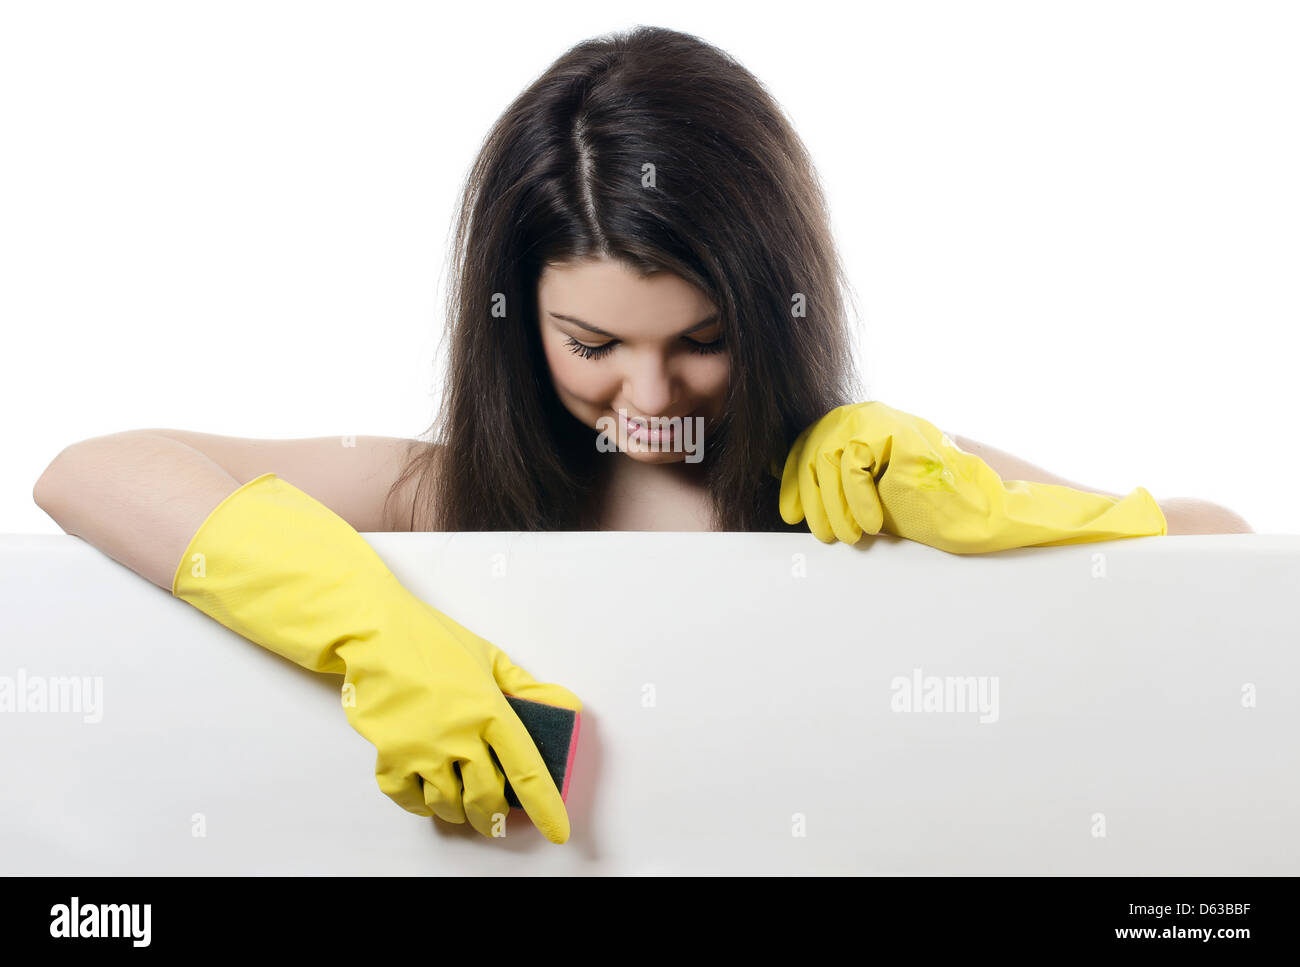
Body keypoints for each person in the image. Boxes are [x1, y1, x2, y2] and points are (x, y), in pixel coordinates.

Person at [31, 26, 1252, 847]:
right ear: (517, 322)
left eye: (700, 339)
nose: (648, 393)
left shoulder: (875, 485)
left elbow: (1221, 554)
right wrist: (371, 631)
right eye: (594, 345)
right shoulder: (443, 491)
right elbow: (86, 470)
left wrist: (983, 501)